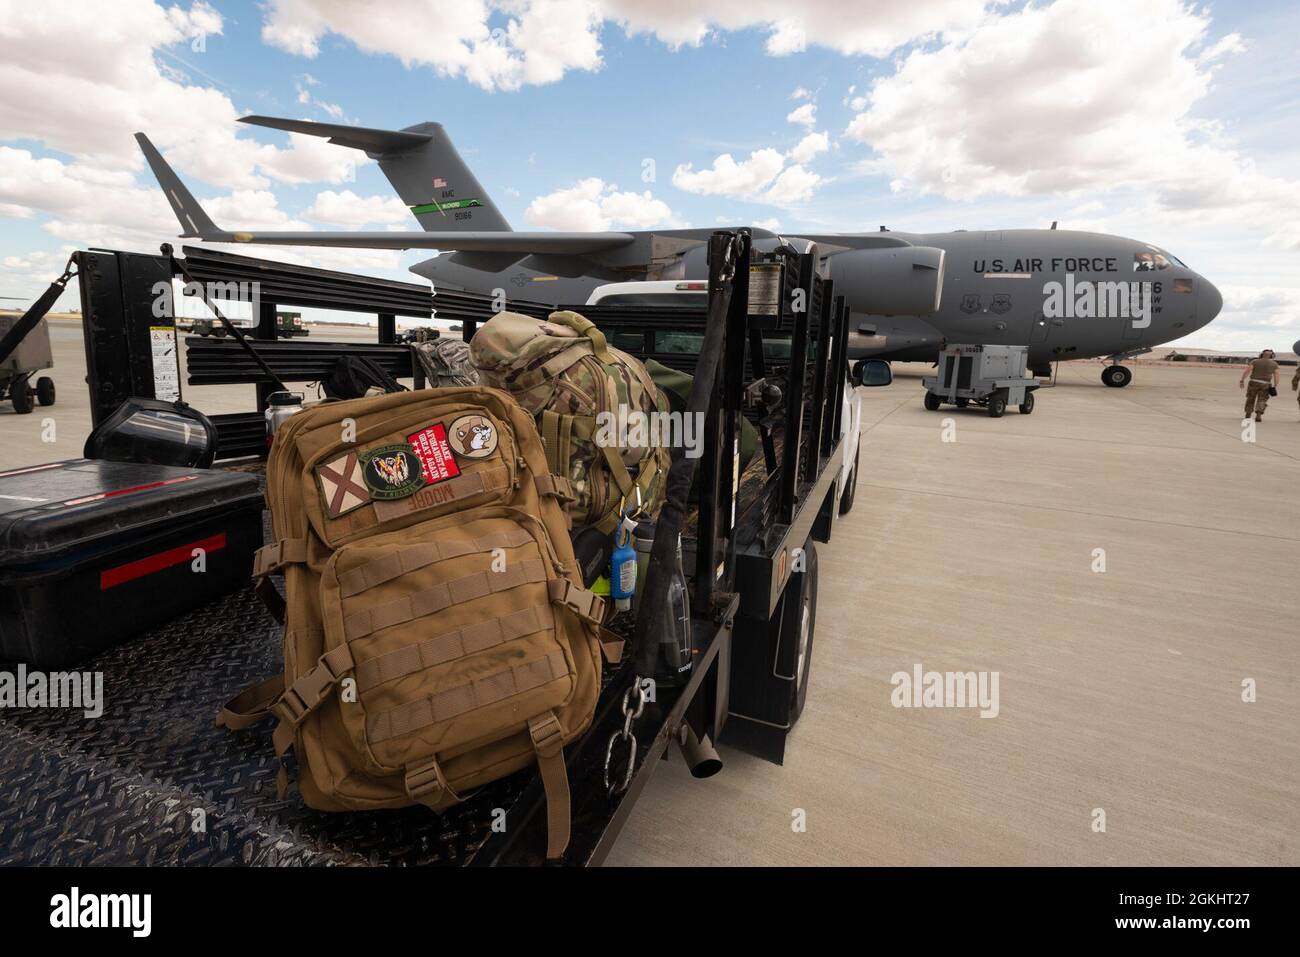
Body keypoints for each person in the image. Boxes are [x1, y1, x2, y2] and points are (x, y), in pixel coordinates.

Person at [1240, 349, 1280, 422]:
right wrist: (1275, 386)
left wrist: (1242, 380)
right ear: (1272, 355)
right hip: (1266, 384)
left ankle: (1248, 414)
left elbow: (1248, 371)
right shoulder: (1274, 364)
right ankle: (1258, 415)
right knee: (1262, 399)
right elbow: (1276, 376)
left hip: (1253, 382)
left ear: (1262, 354)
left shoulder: (1255, 361)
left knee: (1250, 398)